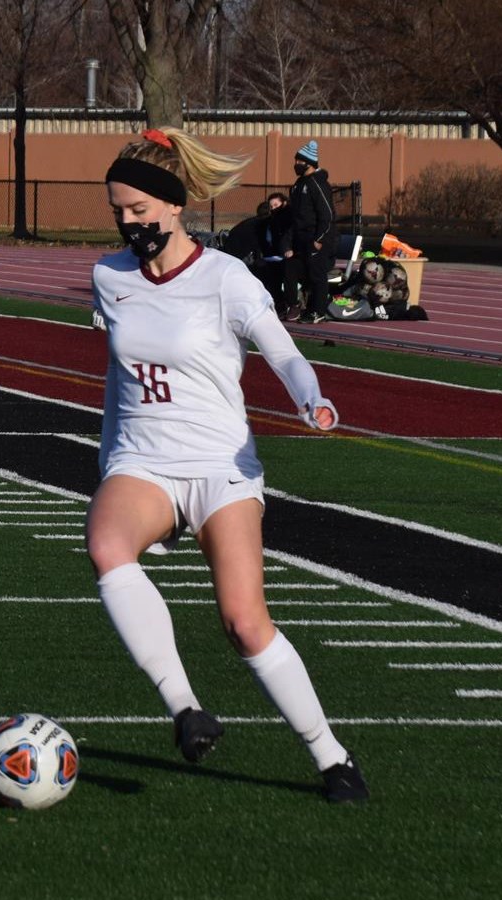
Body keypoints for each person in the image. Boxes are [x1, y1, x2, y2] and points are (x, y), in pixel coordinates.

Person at [88, 127, 367, 803]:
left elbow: (282, 351)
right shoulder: (108, 277)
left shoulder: (224, 277)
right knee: (105, 546)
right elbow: (117, 383)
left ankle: (331, 757)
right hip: (143, 460)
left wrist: (311, 399)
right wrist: (107, 465)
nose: (127, 223)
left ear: (173, 204)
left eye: (137, 210)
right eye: (118, 211)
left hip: (219, 463)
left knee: (244, 622)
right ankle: (186, 709)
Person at [283, 140, 336, 324]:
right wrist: (289, 244)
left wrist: (319, 239)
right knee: (290, 268)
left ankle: (318, 311)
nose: (296, 164)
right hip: (300, 240)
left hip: (316, 239)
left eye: (300, 161)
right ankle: (293, 306)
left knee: (316, 275)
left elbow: (327, 214)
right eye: (295, 160)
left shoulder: (318, 184)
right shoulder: (298, 185)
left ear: (309, 163)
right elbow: (294, 217)